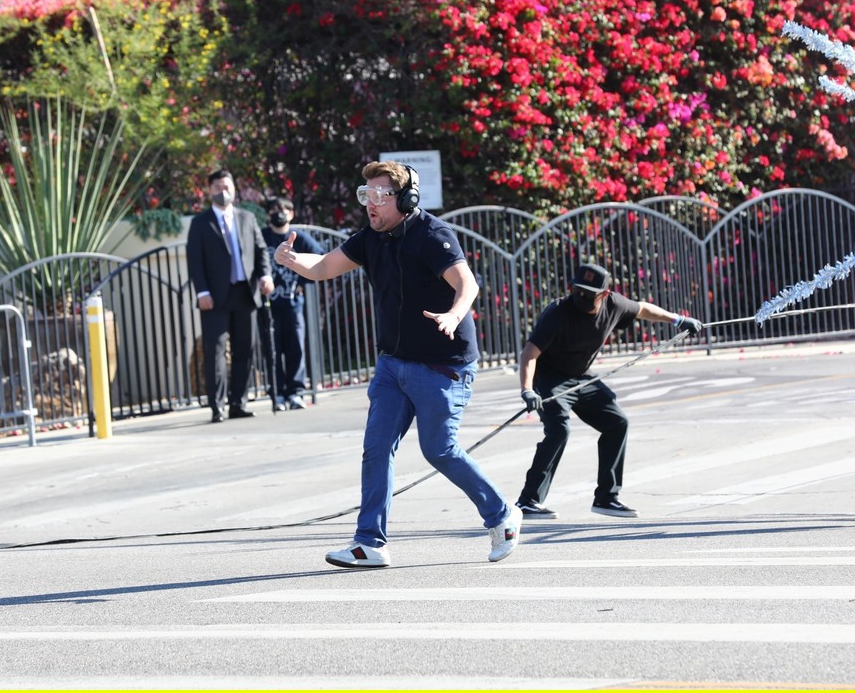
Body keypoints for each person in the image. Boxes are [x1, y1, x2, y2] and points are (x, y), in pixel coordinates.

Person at [274, 160, 522, 568]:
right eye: (365, 195)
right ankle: (369, 543)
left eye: (380, 196)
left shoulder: (432, 235)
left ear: (406, 199)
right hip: (393, 364)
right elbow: (324, 267)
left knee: (440, 450)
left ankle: (502, 516)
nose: (370, 204)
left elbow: (467, 283)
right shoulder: (370, 238)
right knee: (376, 449)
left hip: (442, 365)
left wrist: (453, 315)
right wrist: (292, 260)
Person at [515, 262, 704, 519]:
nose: (580, 296)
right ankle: (528, 501)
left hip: (582, 378)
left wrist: (677, 320)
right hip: (550, 379)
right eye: (577, 290)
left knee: (617, 423)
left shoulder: (614, 305)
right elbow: (529, 353)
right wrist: (527, 390)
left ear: (604, 294)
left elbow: (643, 308)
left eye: (588, 293)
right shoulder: (557, 312)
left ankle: (606, 498)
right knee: (559, 430)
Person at [186, 169, 274, 423]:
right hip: (215, 297)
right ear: (209, 191)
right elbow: (195, 260)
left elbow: (261, 250)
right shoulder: (200, 223)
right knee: (215, 352)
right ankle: (217, 407)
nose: (222, 192)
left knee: (244, 350)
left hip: (245, 293)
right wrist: (202, 291)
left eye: (226, 187)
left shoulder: (247, 218)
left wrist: (265, 275)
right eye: (217, 187)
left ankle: (238, 403)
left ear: (234, 189)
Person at [260, 197, 324, 411]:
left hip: (293, 304)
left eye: (283, 209)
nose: (278, 213)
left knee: (296, 347)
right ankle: (277, 394)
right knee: (273, 350)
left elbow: (320, 257)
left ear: (291, 213)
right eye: (273, 209)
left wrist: (302, 283)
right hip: (268, 306)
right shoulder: (262, 237)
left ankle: (296, 393)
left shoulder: (299, 238)